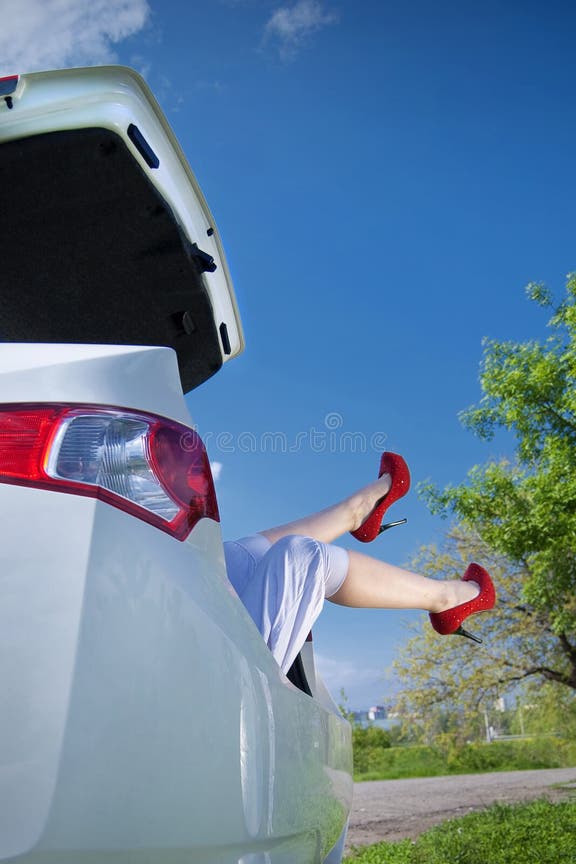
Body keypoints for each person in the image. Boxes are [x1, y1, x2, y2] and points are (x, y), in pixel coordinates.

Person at [224, 452, 496, 674]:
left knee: (233, 558)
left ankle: (355, 515)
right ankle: (445, 599)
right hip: (224, 682)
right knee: (302, 558)